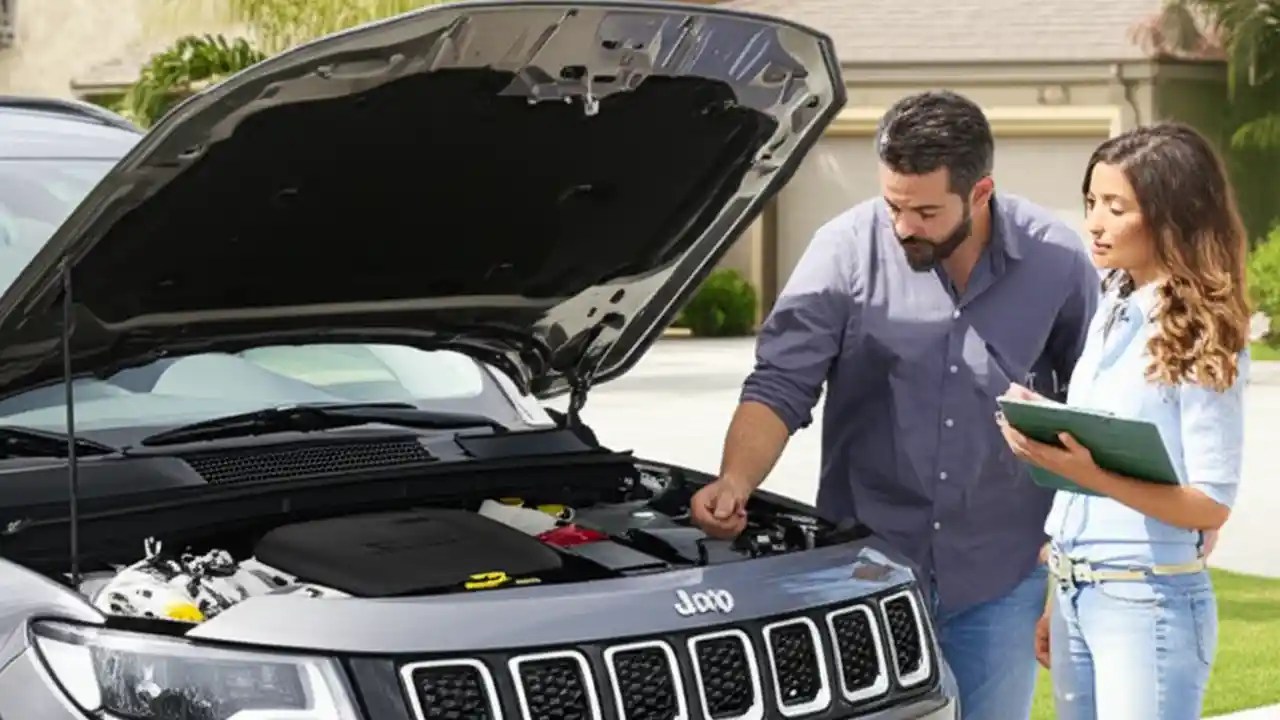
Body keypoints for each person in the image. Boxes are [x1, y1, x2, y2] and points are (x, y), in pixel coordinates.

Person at [688, 89, 1100, 719]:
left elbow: (1095, 407)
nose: (905, 225)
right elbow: (780, 383)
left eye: (927, 211)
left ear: (980, 193)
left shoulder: (1057, 262)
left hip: (1000, 575)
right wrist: (735, 480)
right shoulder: (843, 250)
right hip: (866, 573)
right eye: (893, 205)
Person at [997, 122, 1249, 720]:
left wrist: (1086, 471)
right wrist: (1059, 597)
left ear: (1171, 215)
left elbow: (1210, 506)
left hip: (1148, 600)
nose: (1094, 222)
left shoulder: (1203, 332)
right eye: (1091, 202)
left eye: (1116, 207)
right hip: (1077, 592)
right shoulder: (1111, 307)